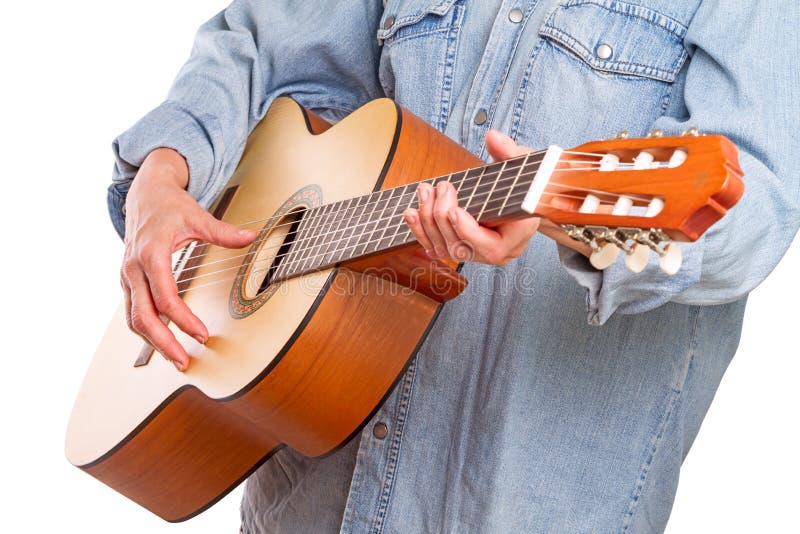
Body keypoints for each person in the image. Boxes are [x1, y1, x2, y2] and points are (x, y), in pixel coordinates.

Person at [108, 1, 799, 532]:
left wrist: (559, 215)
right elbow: (262, 46)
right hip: (312, 499)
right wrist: (161, 179)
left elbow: (757, 210)